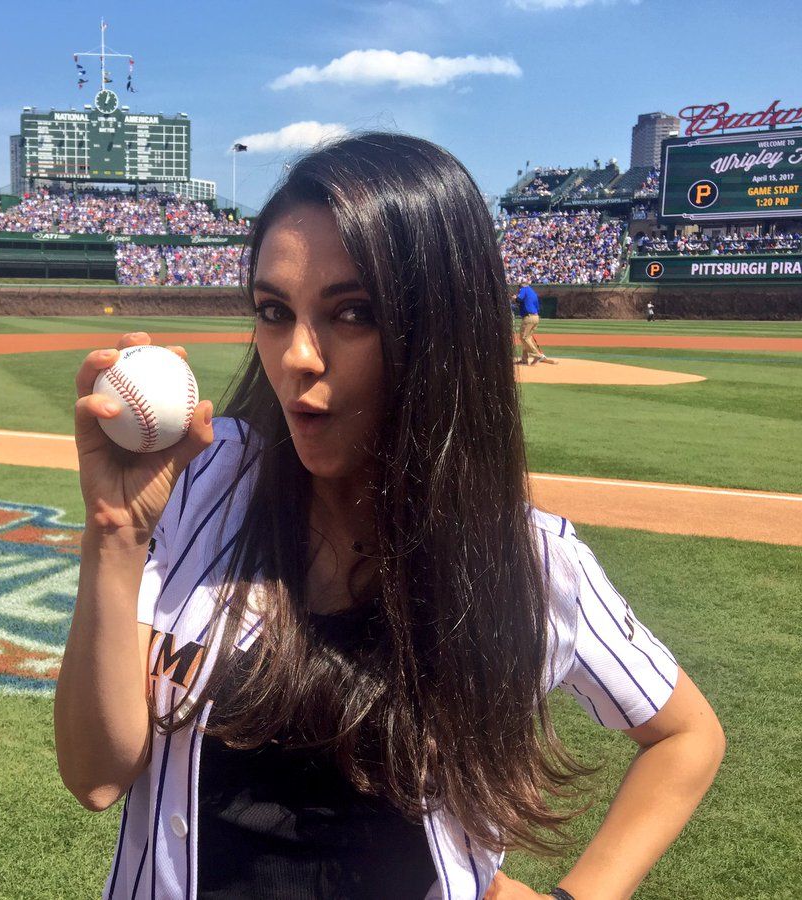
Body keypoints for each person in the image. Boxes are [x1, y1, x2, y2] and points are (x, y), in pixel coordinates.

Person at [56, 134, 725, 900]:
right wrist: (115, 534)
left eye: (353, 313)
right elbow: (97, 778)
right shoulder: (201, 483)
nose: (297, 355)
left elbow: (685, 734)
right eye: (274, 311)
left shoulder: (526, 563)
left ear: (439, 329)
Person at [516, 283, 555, 365]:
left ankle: (537, 355)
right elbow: (537, 307)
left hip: (529, 317)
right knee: (528, 338)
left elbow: (519, 299)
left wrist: (515, 298)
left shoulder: (524, 289)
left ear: (520, 287)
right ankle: (524, 359)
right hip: (536, 317)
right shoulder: (533, 292)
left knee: (524, 338)